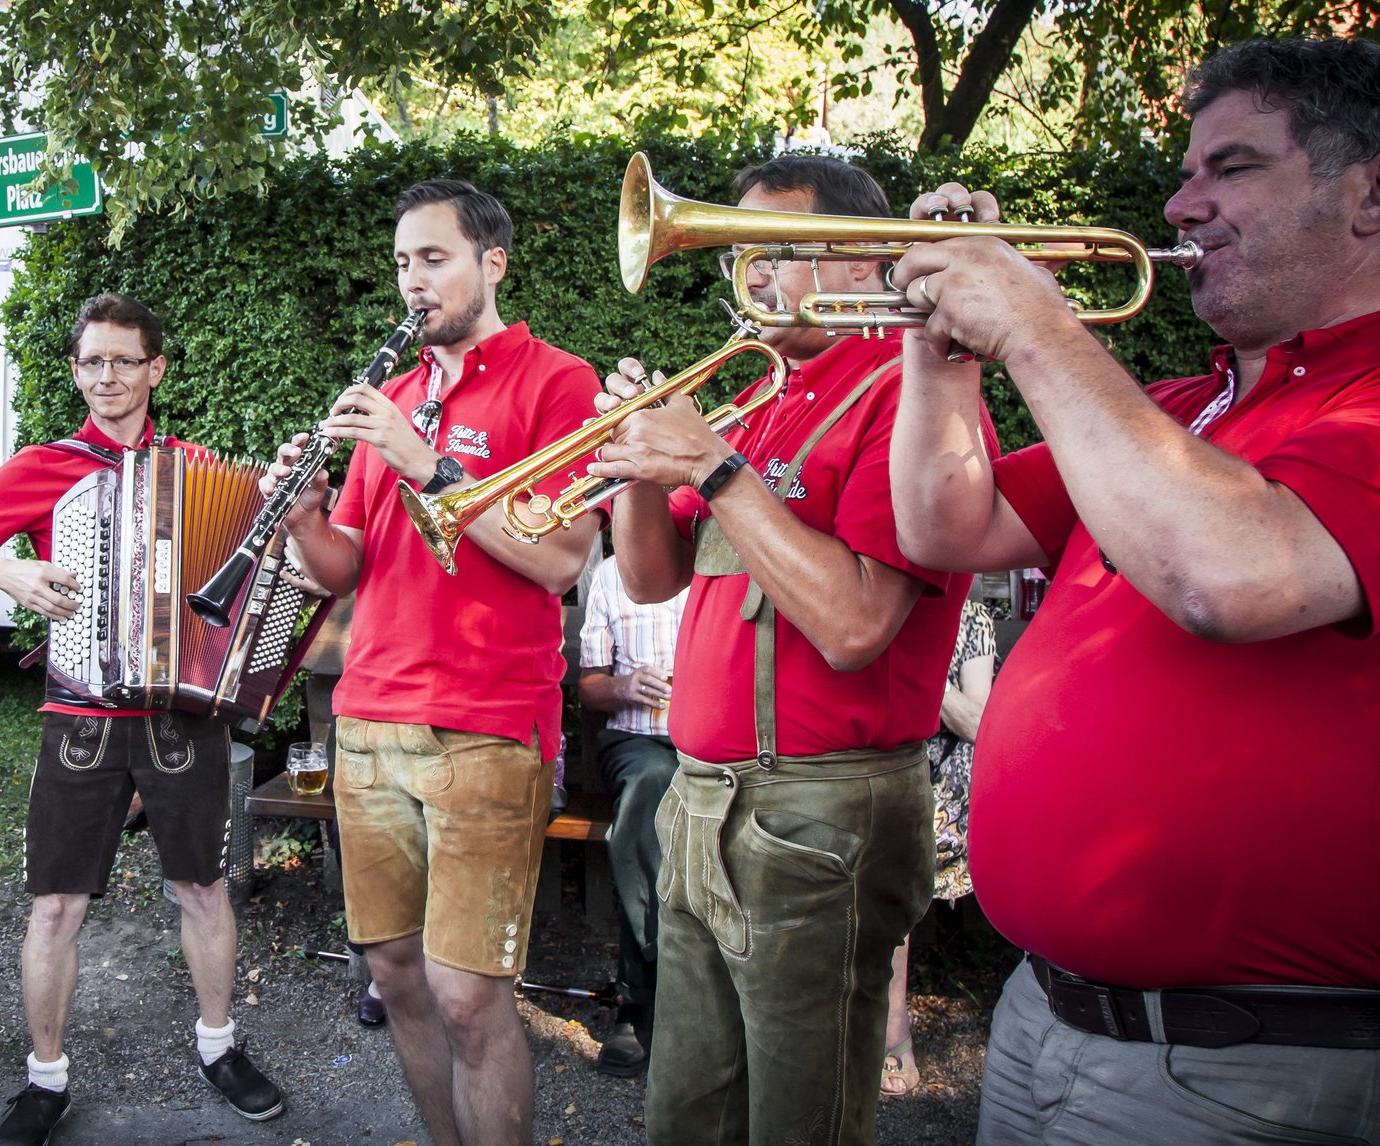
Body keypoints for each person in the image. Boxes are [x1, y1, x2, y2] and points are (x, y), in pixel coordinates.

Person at [885, 35, 1380, 1142]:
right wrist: (942, 344)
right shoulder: (1171, 407)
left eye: (1231, 167)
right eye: (1186, 169)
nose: (1180, 201)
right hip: (1047, 1011)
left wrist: (1032, 322)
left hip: (1246, 1058)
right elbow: (942, 523)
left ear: (1366, 195)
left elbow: (1231, 576)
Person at [588, 154, 995, 1145]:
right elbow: (649, 578)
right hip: (704, 797)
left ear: (859, 261)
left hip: (820, 809)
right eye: (741, 256)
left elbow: (855, 625)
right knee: (687, 1111)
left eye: (775, 253)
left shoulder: (907, 398)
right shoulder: (764, 391)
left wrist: (714, 467)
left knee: (796, 1120)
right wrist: (639, 467)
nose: (752, 279)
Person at [268, 179, 604, 1146]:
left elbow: (560, 561)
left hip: (488, 726)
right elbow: (347, 566)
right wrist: (300, 519)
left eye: (435, 258)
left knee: (468, 995)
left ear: (492, 263)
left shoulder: (557, 382)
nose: (414, 281)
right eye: (404, 263)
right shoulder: (397, 397)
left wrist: (425, 462)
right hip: (368, 719)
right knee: (397, 978)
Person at [0, 293, 285, 1145]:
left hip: (184, 718)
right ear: (76, 369)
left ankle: (220, 1046)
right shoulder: (44, 466)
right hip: (79, 715)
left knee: (201, 888)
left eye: (123, 361)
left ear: (155, 369)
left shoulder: (198, 471)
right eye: (91, 362)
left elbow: (260, 587)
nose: (105, 377)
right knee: (55, 906)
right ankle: (45, 1081)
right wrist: (9, 577)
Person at [575, 552, 688, 1078]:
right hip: (637, 740)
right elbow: (590, 687)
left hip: (721, 743)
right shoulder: (611, 574)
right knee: (652, 786)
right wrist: (626, 686)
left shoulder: (730, 553)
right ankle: (642, 1000)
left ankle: (708, 1003)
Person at [880, 592, 995, 1096]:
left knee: (895, 839)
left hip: (940, 772)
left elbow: (978, 724)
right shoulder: (871, 595)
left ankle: (891, 1026)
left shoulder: (969, 617)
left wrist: (921, 674)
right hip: (866, 759)